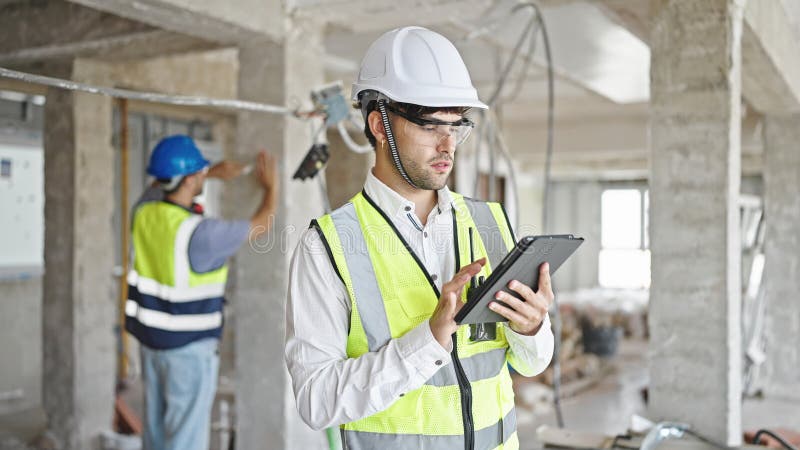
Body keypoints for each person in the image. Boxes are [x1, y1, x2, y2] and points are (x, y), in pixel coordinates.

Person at [285, 26, 554, 449]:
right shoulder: (327, 246)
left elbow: (531, 363)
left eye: (457, 126)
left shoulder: (489, 222)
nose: (448, 145)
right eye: (430, 126)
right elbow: (317, 401)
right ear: (379, 125)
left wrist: (533, 327)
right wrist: (427, 341)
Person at [125, 135, 278, 450]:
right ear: (190, 178)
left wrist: (207, 175)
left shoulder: (142, 213)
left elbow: (156, 187)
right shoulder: (202, 234)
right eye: (199, 172)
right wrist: (271, 189)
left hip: (151, 346)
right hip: (188, 352)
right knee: (185, 439)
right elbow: (262, 225)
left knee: (156, 435)